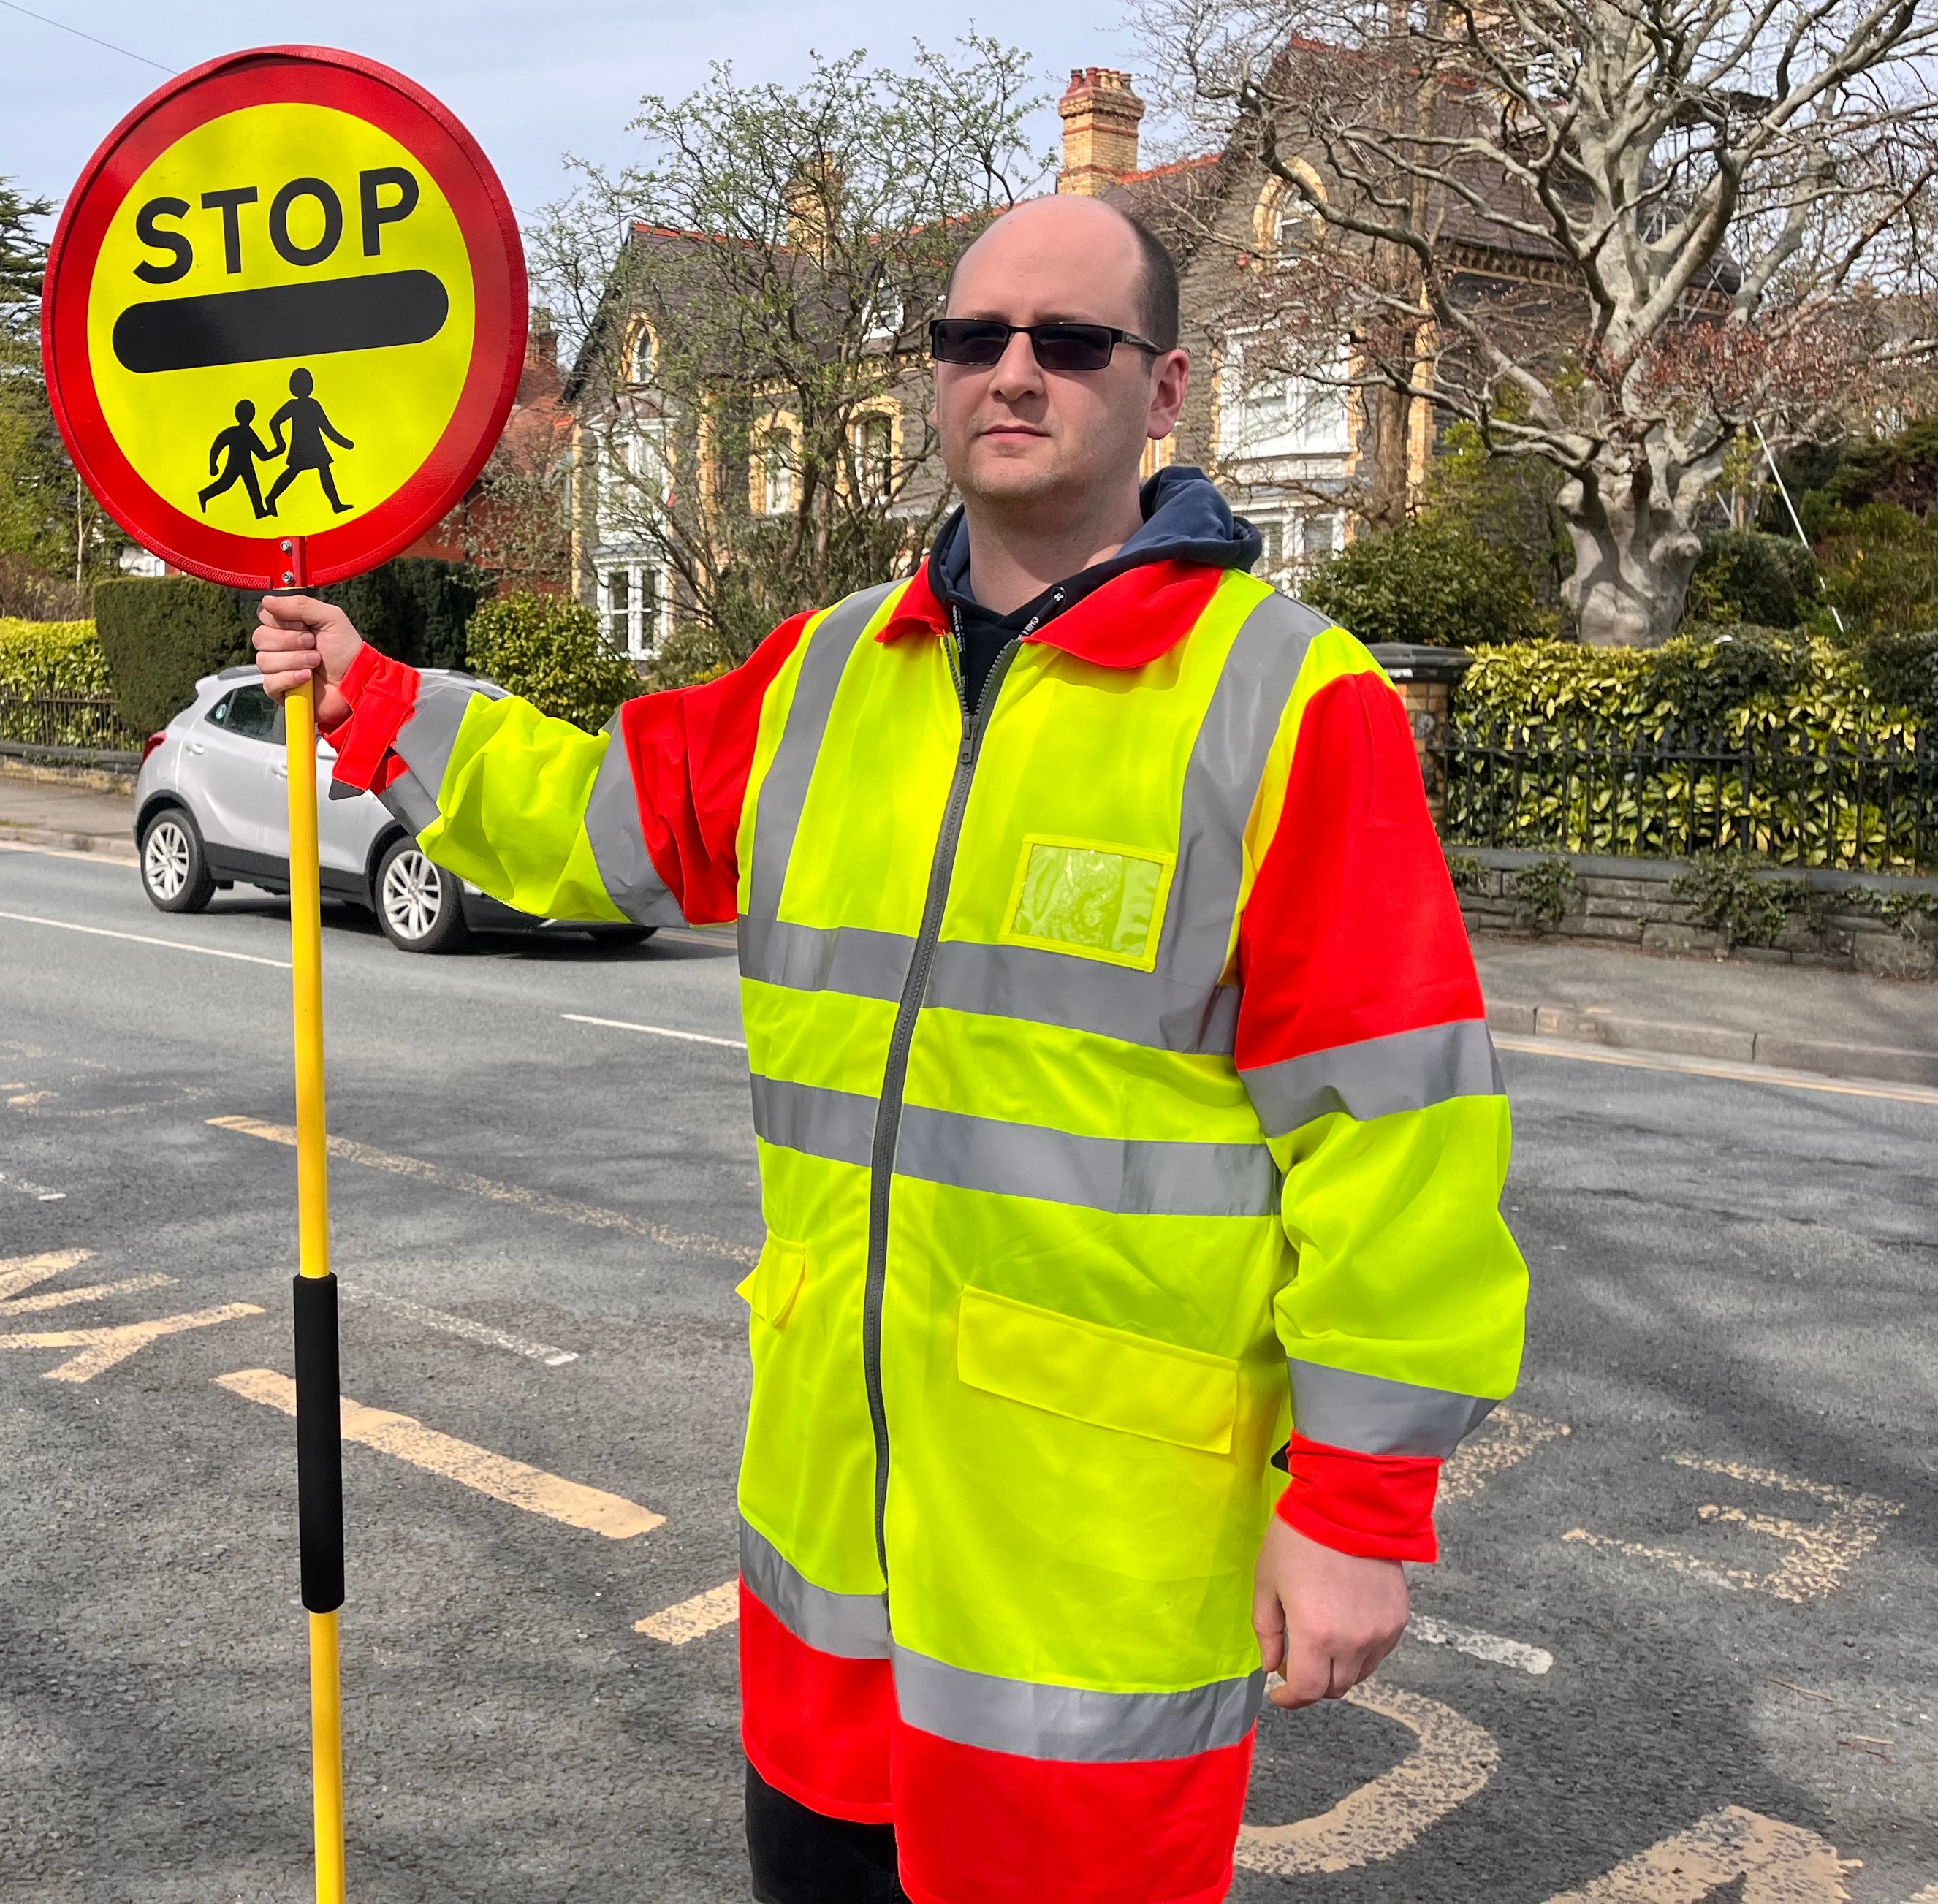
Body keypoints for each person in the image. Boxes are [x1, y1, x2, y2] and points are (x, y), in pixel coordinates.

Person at [255, 194, 1527, 1904]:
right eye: (971, 338)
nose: (1013, 373)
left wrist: (1363, 1508)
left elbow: (1398, 1134)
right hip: (826, 1562)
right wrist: (386, 701)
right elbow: (585, 814)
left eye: (1069, 342)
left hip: (1091, 1586)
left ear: (1165, 394)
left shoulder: (1289, 702)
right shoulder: (825, 677)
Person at [265, 367, 354, 516]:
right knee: (295, 472)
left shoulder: (313, 405)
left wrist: (344, 443)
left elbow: (326, 427)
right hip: (303, 447)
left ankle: (336, 504)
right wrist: (280, 443)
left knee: (322, 470)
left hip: (314, 446)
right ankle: (270, 498)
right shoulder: (296, 405)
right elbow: (274, 422)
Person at [201, 398, 281, 519]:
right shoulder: (240, 432)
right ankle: (204, 495)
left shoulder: (244, 432)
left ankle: (259, 510)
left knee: (252, 485)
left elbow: (262, 455)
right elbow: (218, 445)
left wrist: (278, 451)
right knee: (226, 484)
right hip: (236, 464)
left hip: (246, 465)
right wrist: (213, 464)